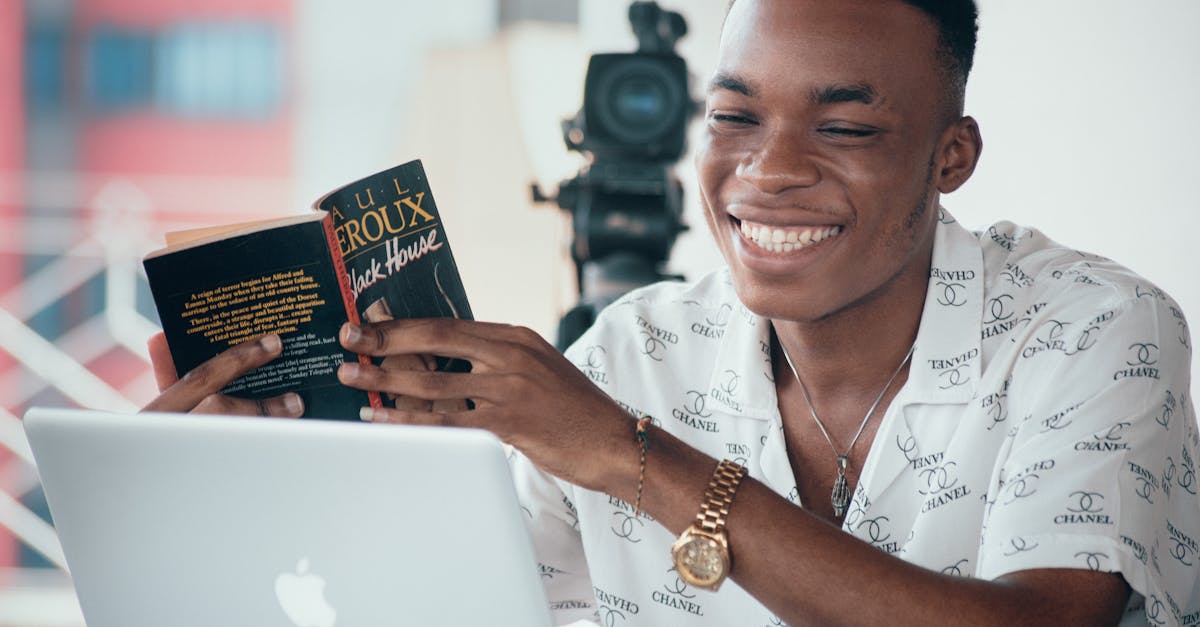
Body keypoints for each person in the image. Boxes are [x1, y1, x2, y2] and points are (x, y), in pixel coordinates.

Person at [145, 0, 1199, 625]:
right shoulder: (632, 350)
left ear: (950, 156)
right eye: (734, 116)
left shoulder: (1096, 330)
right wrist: (221, 510)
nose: (768, 171)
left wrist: (624, 453)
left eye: (846, 128)